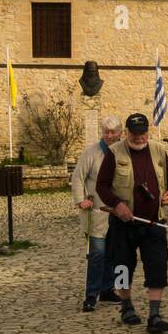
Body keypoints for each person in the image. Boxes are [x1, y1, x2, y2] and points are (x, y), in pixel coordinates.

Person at [96, 112, 168, 334]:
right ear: (127, 133)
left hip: (154, 222)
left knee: (157, 265)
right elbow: (102, 186)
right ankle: (126, 306)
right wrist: (117, 204)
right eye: (135, 133)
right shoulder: (114, 153)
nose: (139, 138)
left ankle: (155, 314)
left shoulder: (159, 150)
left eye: (143, 133)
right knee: (122, 266)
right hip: (124, 224)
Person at [72, 116, 123, 311]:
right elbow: (78, 177)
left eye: (113, 132)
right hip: (98, 212)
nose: (109, 136)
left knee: (118, 254)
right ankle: (91, 295)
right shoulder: (91, 153)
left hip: (120, 213)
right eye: (106, 132)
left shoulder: (124, 152)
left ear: (120, 133)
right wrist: (80, 199)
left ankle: (112, 289)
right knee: (96, 255)